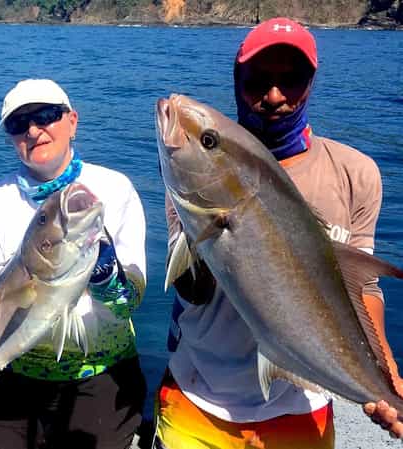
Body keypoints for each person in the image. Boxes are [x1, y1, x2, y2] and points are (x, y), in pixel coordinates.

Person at [154, 17, 403, 449]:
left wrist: (386, 380)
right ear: (237, 78)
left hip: (303, 404)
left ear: (311, 82)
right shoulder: (189, 183)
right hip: (199, 396)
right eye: (258, 81)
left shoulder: (355, 173)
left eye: (292, 80)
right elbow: (191, 291)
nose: (274, 96)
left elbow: (363, 287)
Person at [0, 79, 148, 449]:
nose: (34, 131)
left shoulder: (114, 189)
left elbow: (130, 302)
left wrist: (105, 276)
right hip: (16, 372)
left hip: (101, 375)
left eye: (46, 116)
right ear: (10, 138)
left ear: (72, 122)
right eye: (19, 125)